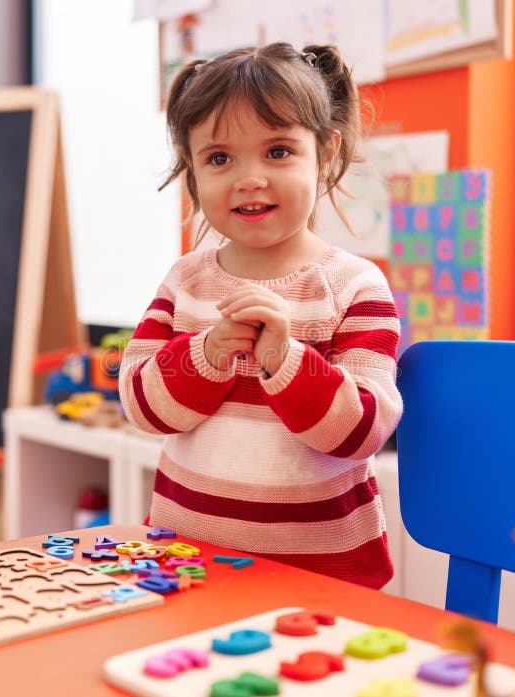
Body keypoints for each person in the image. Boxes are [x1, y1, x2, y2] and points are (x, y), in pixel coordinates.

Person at [118, 42, 403, 589]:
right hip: (186, 560)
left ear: (324, 154)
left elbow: (363, 430)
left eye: (277, 151)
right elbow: (141, 404)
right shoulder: (186, 281)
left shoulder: (353, 286)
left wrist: (284, 360)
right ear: (193, 172)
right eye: (220, 158)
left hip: (319, 573)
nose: (249, 178)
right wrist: (208, 353)